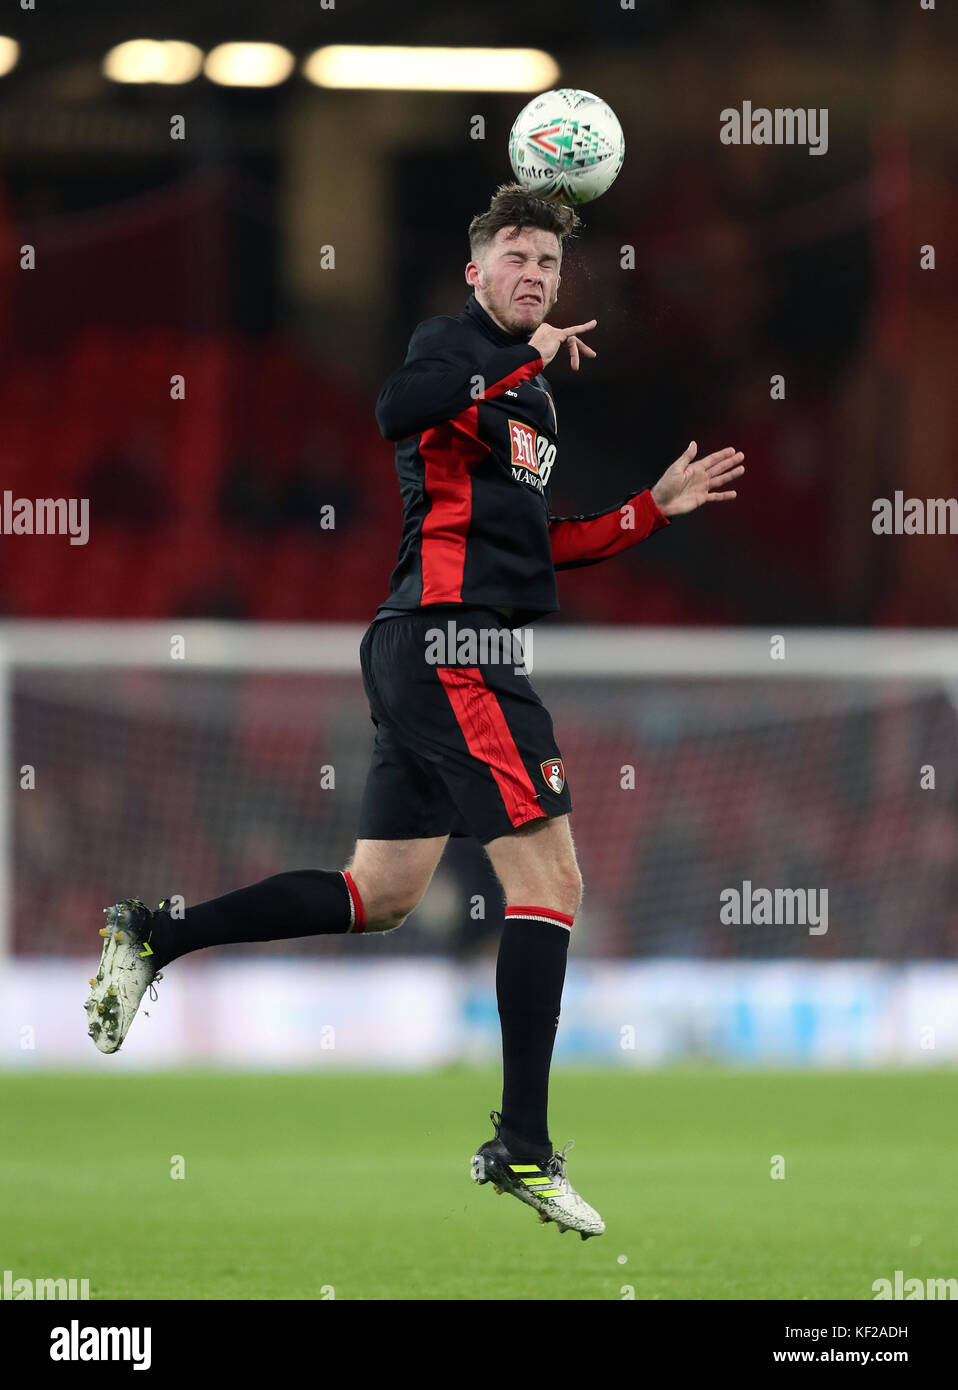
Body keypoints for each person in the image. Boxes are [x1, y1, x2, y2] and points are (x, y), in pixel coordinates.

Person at [85, 183, 743, 1240]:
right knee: (553, 878)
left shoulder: (531, 402)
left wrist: (648, 511)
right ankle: (521, 1142)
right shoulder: (451, 346)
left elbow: (540, 542)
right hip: (452, 645)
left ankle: (156, 933)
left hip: (433, 644)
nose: (535, 276)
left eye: (548, 265)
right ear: (476, 272)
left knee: (381, 891)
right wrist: (520, 353)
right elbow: (396, 408)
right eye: (516, 258)